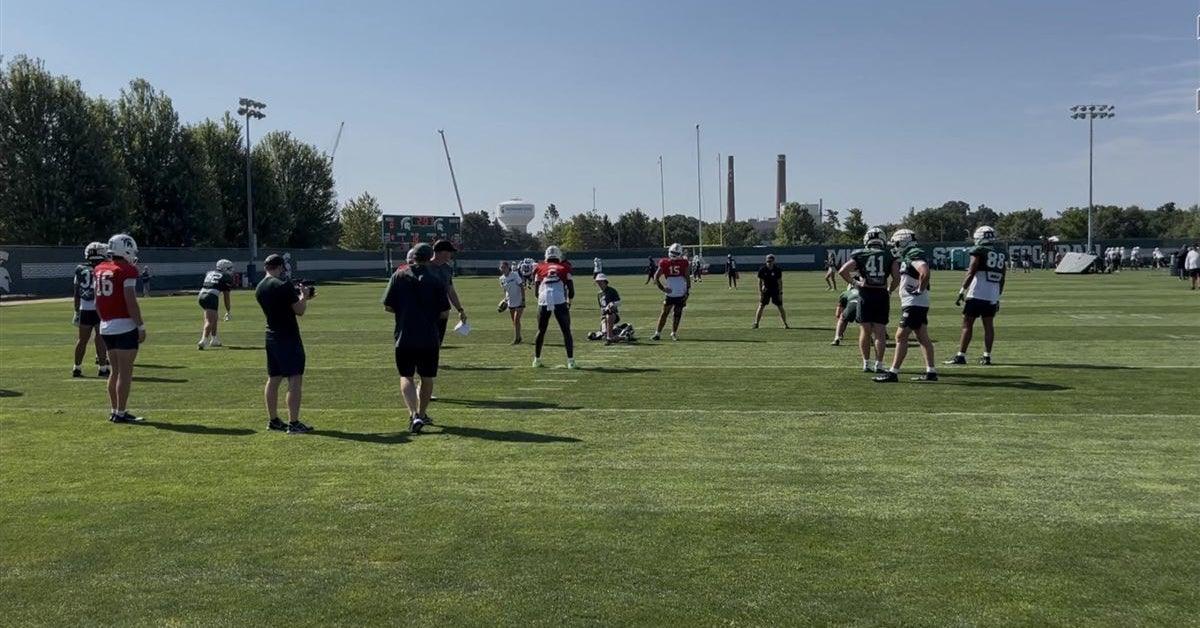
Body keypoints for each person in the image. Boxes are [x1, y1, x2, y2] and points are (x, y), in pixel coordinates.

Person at [382, 243, 447, 433]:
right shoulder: (437, 278)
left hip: (405, 335)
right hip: (429, 336)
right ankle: (423, 412)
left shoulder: (399, 275)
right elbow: (444, 313)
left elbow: (388, 306)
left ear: (413, 256)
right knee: (427, 377)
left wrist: (405, 312)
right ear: (429, 257)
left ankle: (413, 414)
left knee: (406, 376)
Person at [256, 253, 314, 434]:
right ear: (280, 267)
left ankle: (273, 420)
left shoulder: (260, 287)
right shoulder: (283, 285)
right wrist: (304, 296)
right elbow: (300, 310)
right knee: (295, 377)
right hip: (288, 336)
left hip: (271, 334)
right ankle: (294, 422)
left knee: (274, 378)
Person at [94, 234, 146, 423]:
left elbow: (97, 301)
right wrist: (140, 325)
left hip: (106, 325)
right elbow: (130, 300)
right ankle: (121, 413)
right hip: (124, 325)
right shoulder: (127, 269)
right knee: (125, 372)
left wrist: (104, 321)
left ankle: (115, 410)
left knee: (115, 371)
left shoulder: (99, 269)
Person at [874, 229, 937, 382]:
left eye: (896, 244)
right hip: (917, 303)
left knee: (900, 336)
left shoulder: (913, 254)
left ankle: (893, 372)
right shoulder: (910, 254)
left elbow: (925, 272)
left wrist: (919, 290)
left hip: (914, 303)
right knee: (923, 337)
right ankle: (931, 372)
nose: (894, 247)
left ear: (903, 242)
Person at [838, 227, 899, 373]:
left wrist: (855, 283)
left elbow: (842, 271)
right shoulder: (889, 254)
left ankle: (866, 363)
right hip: (881, 295)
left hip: (865, 294)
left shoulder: (860, 254)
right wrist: (889, 290)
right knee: (880, 331)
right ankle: (879, 364)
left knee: (864, 331)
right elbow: (897, 278)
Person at [945, 225, 1007, 366]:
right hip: (992, 294)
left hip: (977, 293)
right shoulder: (1001, 252)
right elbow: (1003, 276)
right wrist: (997, 296)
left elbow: (972, 270)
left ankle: (961, 355)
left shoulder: (978, 250)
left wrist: (962, 290)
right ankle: (987, 357)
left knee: (967, 324)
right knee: (988, 325)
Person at [532, 245, 577, 368]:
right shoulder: (565, 267)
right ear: (558, 255)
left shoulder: (539, 267)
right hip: (558, 297)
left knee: (541, 330)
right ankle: (571, 361)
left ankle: (536, 360)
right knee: (566, 331)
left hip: (543, 298)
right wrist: (568, 301)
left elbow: (536, 292)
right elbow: (571, 290)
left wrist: (542, 299)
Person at [72, 241, 110, 378]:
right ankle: (103, 368)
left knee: (82, 340)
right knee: (100, 339)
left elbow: (76, 292)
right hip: (100, 307)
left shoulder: (80, 269)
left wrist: (76, 310)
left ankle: (77, 368)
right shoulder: (105, 268)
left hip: (84, 308)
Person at [428, 240, 468, 344]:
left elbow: (450, 289)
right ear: (441, 252)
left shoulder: (447, 269)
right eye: (449, 252)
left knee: (436, 344)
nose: (451, 254)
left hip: (442, 309)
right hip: (425, 309)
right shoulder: (425, 267)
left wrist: (460, 310)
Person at [652, 243, 691, 341]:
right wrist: (687, 291)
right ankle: (660, 333)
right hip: (677, 292)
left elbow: (656, 277)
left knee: (674, 314)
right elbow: (687, 278)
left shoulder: (667, 262)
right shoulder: (682, 262)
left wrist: (662, 288)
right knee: (668, 314)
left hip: (676, 292)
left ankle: (669, 333)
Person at [196, 259, 235, 350]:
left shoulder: (209, 273)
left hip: (201, 295)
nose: (231, 270)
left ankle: (214, 339)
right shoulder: (226, 276)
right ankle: (203, 340)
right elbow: (226, 296)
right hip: (211, 297)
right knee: (209, 320)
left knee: (214, 317)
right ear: (225, 268)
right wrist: (228, 311)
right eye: (229, 268)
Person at [752, 253, 790, 329]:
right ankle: (756, 323)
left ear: (773, 261)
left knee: (780, 307)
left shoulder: (777, 270)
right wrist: (760, 292)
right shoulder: (762, 269)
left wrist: (780, 292)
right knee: (761, 306)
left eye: (770, 261)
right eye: (768, 261)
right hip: (766, 289)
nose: (769, 263)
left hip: (775, 290)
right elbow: (760, 281)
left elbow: (780, 281)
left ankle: (785, 324)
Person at [498, 260, 526, 344]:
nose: (503, 269)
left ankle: (516, 339)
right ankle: (519, 337)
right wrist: (505, 299)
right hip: (510, 301)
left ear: (508, 268)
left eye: (504, 267)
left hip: (519, 300)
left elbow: (521, 287)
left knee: (516, 319)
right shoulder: (501, 279)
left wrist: (523, 300)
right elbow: (505, 290)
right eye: (501, 268)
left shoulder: (514, 275)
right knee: (514, 321)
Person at [594, 273, 622, 344]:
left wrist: (613, 303)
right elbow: (601, 307)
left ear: (605, 281)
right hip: (604, 317)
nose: (599, 284)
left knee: (609, 314)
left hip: (613, 314)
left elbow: (619, 302)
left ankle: (609, 337)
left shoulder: (612, 291)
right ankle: (623, 337)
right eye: (598, 282)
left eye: (600, 282)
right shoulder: (599, 294)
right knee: (604, 334)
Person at [831, 280, 861, 346]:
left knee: (842, 318)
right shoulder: (867, 292)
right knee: (867, 322)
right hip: (864, 305)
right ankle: (869, 337)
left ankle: (837, 337)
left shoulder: (845, 293)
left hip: (852, 304)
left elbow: (838, 314)